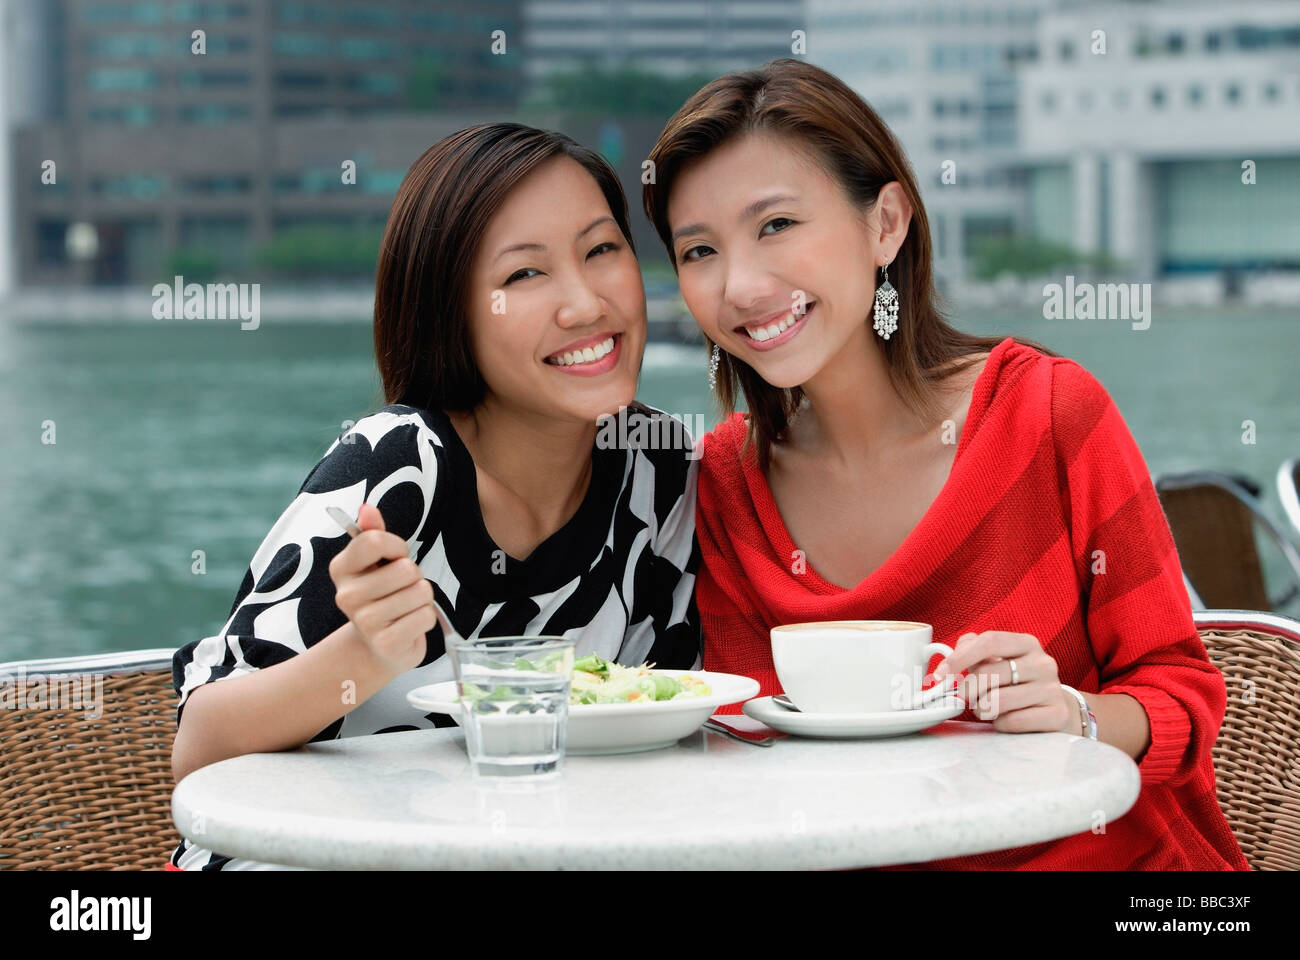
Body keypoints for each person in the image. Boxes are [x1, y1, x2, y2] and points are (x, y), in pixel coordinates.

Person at [641, 58, 1250, 870]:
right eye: (699, 250)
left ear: (885, 223)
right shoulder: (722, 480)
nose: (741, 285)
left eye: (777, 225)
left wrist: (1075, 714)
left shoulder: (1049, 413)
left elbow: (1183, 695)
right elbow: (746, 747)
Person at [169, 123, 702, 869]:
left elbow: (664, 722)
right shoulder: (398, 465)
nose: (585, 303)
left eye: (601, 250)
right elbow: (198, 753)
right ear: (450, 312)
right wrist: (366, 650)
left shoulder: (661, 470)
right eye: (523, 275)